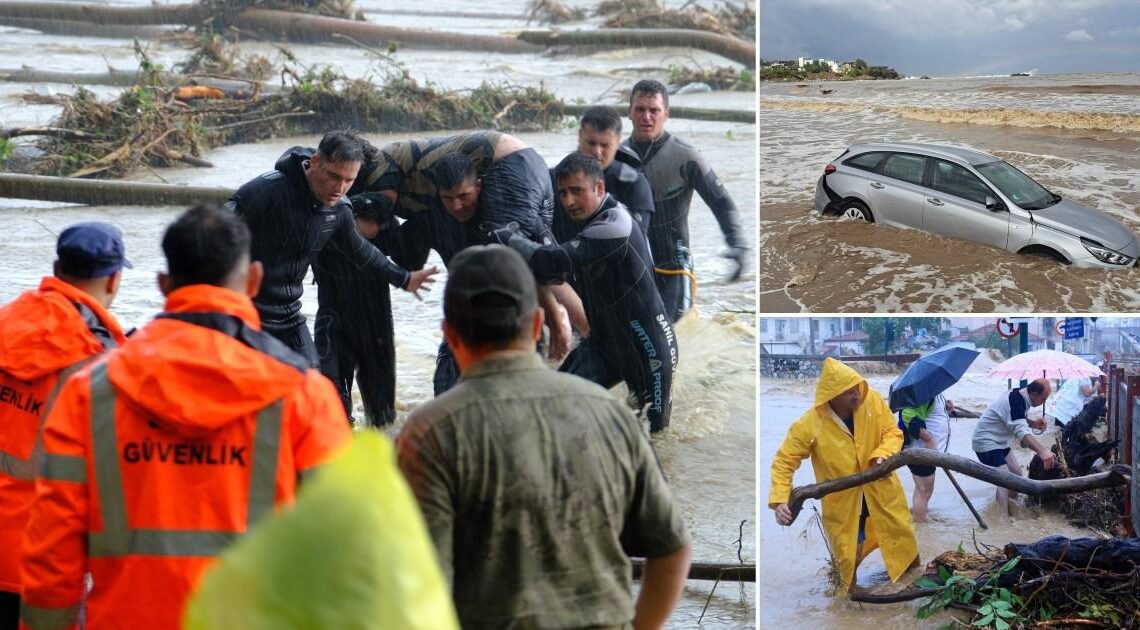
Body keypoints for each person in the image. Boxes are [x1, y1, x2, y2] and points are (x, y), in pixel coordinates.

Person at [20, 205, 352, 629]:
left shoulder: (90, 392)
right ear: (252, 281)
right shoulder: (306, 395)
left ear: (163, 285)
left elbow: (52, 552)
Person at [396, 244, 691, 629]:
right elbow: (671, 549)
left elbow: (419, 585)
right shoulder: (610, 413)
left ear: (450, 334)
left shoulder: (430, 432)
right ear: (537, 325)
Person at [0, 223, 129, 630]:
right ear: (114, 279)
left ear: (56, 267)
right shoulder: (99, 359)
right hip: (41, 558)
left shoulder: (7, 320)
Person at [492, 153, 678, 432]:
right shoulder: (587, 219)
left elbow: (551, 260)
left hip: (648, 350)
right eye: (563, 192)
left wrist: (506, 236)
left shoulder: (615, 224)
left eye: (577, 191)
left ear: (599, 188)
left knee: (654, 438)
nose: (568, 201)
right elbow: (556, 273)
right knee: (552, 408)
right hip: (605, 345)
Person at [224, 130, 437, 366]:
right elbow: (208, 237)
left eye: (349, 180)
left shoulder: (338, 210)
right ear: (315, 162)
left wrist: (404, 278)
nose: (340, 188)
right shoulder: (265, 192)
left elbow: (361, 251)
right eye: (333, 176)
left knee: (312, 387)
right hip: (244, 313)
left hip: (290, 317)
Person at [769, 357, 918, 595]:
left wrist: (881, 455)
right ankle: (846, 595)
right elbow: (785, 460)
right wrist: (779, 500)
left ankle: (910, 585)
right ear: (833, 395)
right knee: (849, 550)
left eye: (857, 388)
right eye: (849, 392)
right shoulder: (811, 423)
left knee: (902, 536)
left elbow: (893, 432)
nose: (856, 395)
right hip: (844, 499)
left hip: (881, 488)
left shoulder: (873, 402)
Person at [623, 79, 750, 321]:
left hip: (675, 265)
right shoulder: (616, 158)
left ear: (666, 114)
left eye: (654, 110)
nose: (646, 117)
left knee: (677, 332)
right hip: (631, 267)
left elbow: (722, 202)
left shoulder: (685, 157)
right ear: (629, 112)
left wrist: (738, 245)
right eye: (640, 109)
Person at [312, 194, 399, 426]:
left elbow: (409, 257)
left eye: (377, 224)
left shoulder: (386, 234)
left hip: (374, 323)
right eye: (367, 221)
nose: (373, 228)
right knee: (331, 394)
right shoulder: (325, 229)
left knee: (381, 412)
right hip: (334, 321)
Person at [553, 105, 654, 242]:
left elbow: (636, 240)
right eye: (591, 143)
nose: (597, 152)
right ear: (580, 136)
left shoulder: (633, 184)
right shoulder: (553, 179)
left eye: (605, 145)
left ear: (618, 142)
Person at [972, 379, 1056, 511]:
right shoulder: (1015, 400)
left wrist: (1034, 424)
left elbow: (1017, 418)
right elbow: (1022, 433)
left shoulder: (1020, 395)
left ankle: (1010, 507)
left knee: (1017, 474)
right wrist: (1042, 451)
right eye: (1043, 399)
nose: (1043, 402)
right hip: (985, 442)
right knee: (1004, 478)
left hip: (999, 442)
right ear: (1033, 394)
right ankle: (1002, 520)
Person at [899, 393, 954, 523]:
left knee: (922, 489)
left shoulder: (934, 392)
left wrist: (946, 406)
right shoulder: (922, 393)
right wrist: (928, 437)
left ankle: (918, 517)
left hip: (930, 451)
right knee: (924, 490)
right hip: (921, 450)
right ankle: (921, 528)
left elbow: (931, 411)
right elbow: (908, 414)